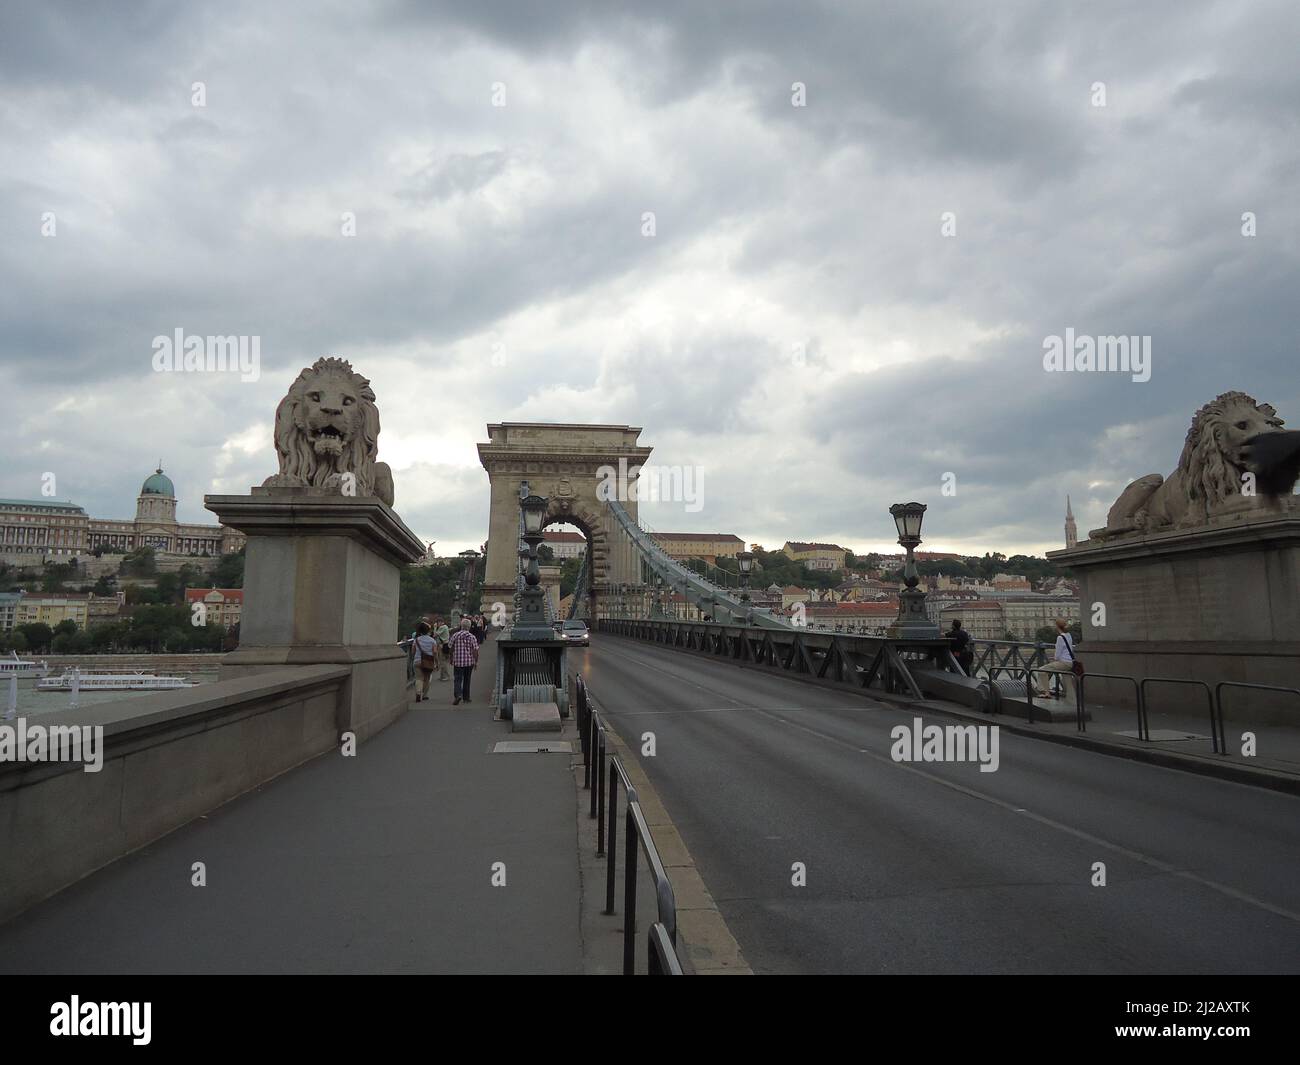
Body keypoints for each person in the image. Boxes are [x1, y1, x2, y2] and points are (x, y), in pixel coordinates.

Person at [1039, 618, 1077, 701]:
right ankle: (1072, 698)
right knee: (1067, 678)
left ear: (1057, 627)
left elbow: (1057, 655)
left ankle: (1046, 692)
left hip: (1064, 662)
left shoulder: (1060, 638)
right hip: (1071, 662)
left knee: (1042, 670)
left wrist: (1055, 659)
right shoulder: (1069, 635)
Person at [449, 617, 480, 705]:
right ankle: (466, 697)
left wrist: (451, 657)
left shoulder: (455, 635)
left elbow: (451, 647)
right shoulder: (472, 637)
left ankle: (458, 695)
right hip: (469, 662)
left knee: (458, 679)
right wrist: (476, 661)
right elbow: (475, 650)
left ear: (461, 626)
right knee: (467, 679)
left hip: (458, 661)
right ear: (469, 627)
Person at [412, 621, 438, 702]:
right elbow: (434, 652)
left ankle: (418, 693)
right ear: (428, 631)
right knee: (427, 678)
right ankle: (425, 695)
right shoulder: (432, 641)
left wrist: (415, 657)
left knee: (418, 678)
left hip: (417, 661)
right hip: (428, 662)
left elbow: (413, 651)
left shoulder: (416, 640)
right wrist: (437, 662)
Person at [433, 616, 451, 681]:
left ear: (440, 622)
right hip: (445, 645)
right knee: (442, 661)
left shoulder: (442, 627)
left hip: (443, 645)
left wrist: (435, 627)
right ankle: (442, 676)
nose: (437, 624)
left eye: (437, 623)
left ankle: (446, 676)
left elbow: (435, 635)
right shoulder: (445, 627)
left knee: (443, 661)